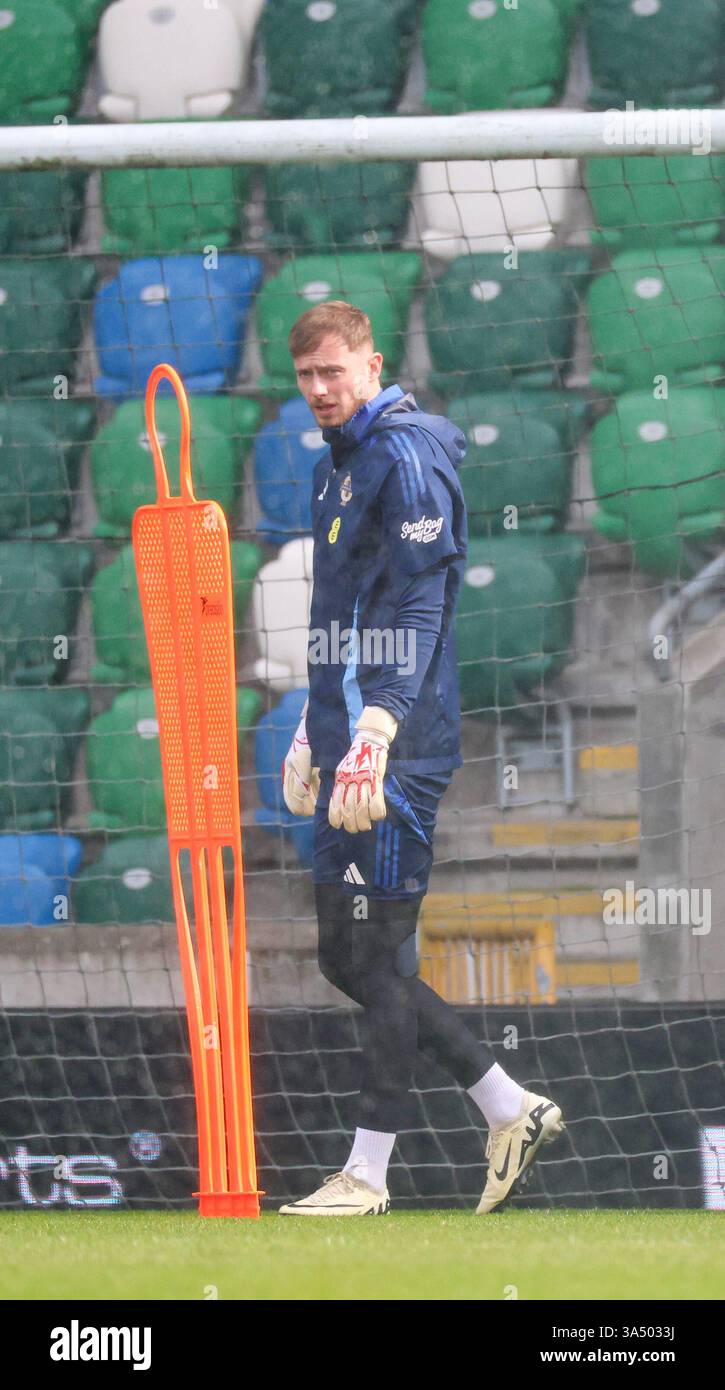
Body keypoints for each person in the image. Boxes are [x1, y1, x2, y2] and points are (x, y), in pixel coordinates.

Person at [278, 300, 564, 1215]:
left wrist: (375, 729)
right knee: (344, 957)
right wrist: (312, 724)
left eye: (333, 371)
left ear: (371, 363)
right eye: (305, 377)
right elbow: (344, 613)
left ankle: (366, 1175)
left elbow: (417, 608)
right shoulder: (336, 470)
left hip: (396, 749)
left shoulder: (406, 456)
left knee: (378, 955)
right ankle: (507, 1104)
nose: (320, 390)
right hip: (347, 732)